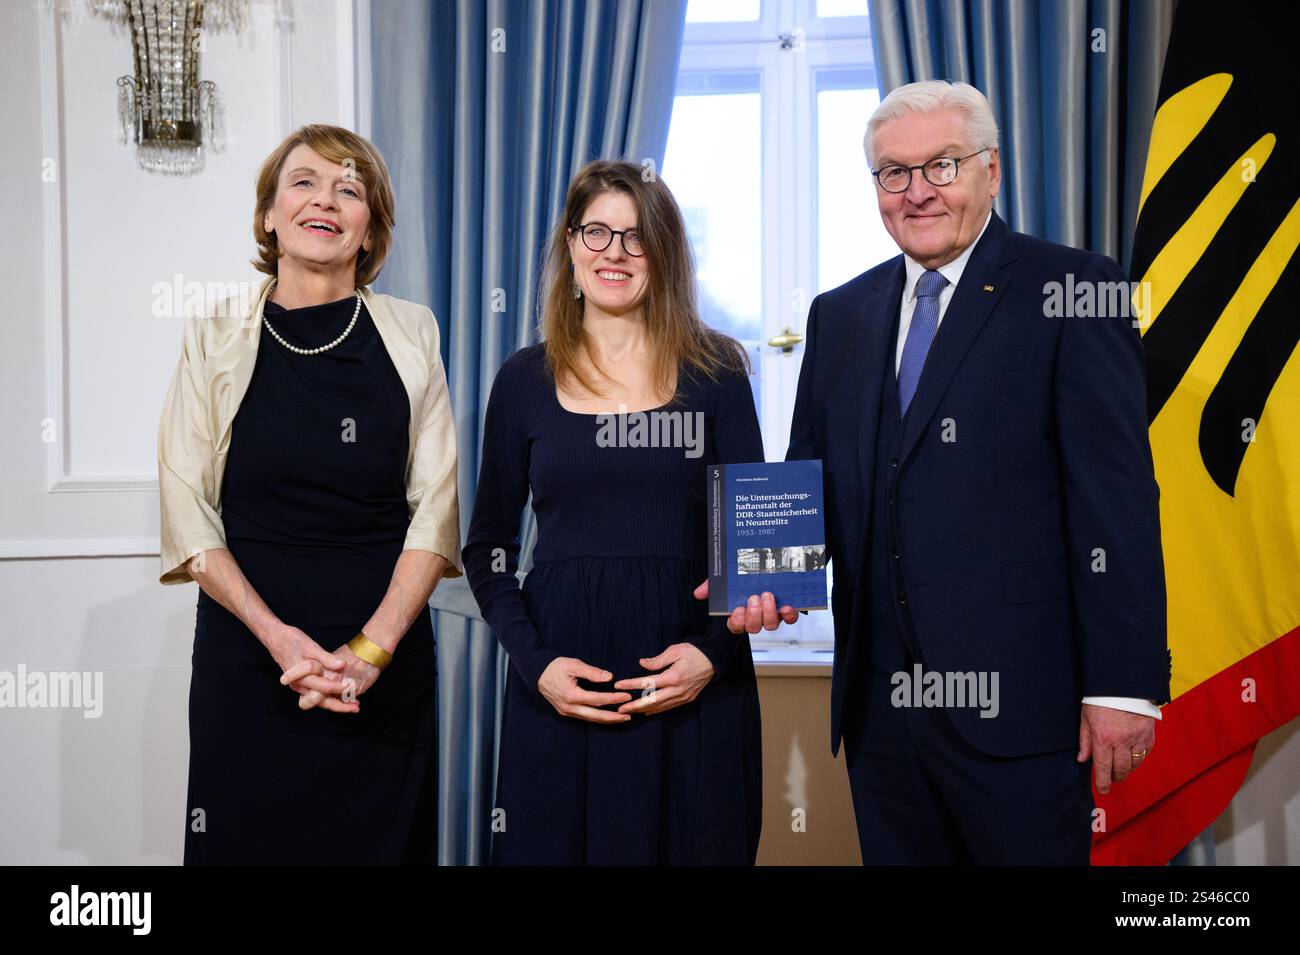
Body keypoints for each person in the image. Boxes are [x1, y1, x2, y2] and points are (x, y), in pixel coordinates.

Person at [701, 80, 1169, 864]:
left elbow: (1115, 502)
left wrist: (1122, 687)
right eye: (894, 172)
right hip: (882, 719)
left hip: (1023, 711)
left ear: (992, 170)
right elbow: (810, 482)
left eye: (941, 166)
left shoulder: (1073, 289)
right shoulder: (839, 314)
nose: (917, 192)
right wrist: (761, 577)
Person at [157, 124, 461, 864]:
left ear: (370, 227)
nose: (325, 200)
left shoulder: (413, 331)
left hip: (382, 671)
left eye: (349, 189)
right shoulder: (214, 331)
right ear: (269, 215)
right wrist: (279, 639)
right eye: (304, 182)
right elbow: (186, 508)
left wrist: (370, 650)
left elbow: (438, 509)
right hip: (251, 663)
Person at [463, 160, 763, 865]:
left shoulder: (720, 371)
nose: (615, 253)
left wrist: (712, 657)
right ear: (570, 246)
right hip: (560, 694)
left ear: (664, 254)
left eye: (636, 237)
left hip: (696, 689)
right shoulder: (522, 381)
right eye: (596, 232)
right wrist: (536, 666)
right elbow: (486, 552)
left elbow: (754, 549)